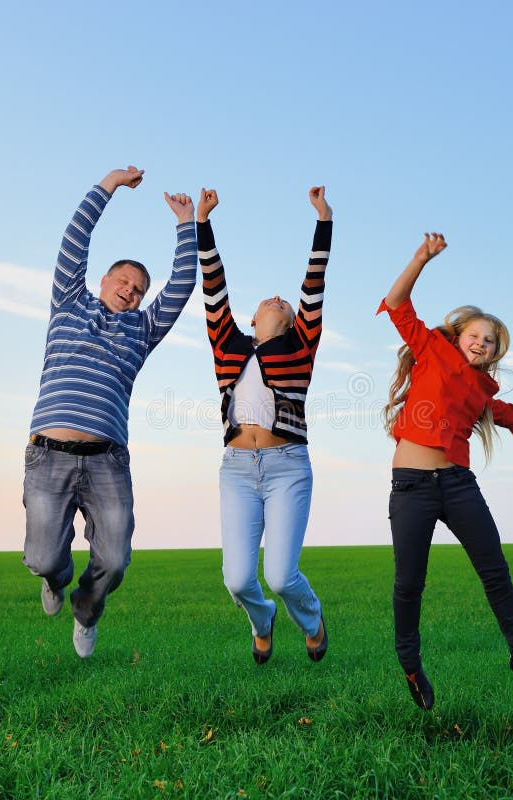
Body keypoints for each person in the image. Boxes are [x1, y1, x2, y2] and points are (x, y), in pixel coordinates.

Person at [378, 231, 513, 710]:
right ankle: (410, 664)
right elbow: (398, 303)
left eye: (490, 342)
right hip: (413, 488)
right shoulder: (431, 350)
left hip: (460, 486)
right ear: (459, 336)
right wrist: (422, 257)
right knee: (409, 583)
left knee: (495, 572)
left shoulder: (483, 390)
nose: (482, 344)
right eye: (476, 336)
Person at [23, 166, 197, 658]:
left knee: (116, 559)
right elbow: (73, 239)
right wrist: (110, 184)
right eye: (124, 280)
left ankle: (87, 607)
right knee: (41, 556)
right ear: (103, 280)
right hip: (48, 456)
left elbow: (181, 285)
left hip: (106, 461)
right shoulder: (67, 304)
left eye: (139, 289)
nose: (131, 290)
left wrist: (187, 225)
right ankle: (56, 579)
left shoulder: (141, 332)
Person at [196, 186, 332, 664]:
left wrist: (323, 220)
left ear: (294, 322)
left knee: (280, 574)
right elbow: (214, 286)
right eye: (267, 300)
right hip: (236, 468)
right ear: (253, 320)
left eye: (285, 302)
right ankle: (262, 620)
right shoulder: (227, 343)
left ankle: (312, 621)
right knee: (236, 579)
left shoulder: (300, 346)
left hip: (287, 467)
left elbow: (314, 284)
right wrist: (203, 222)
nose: (277, 298)